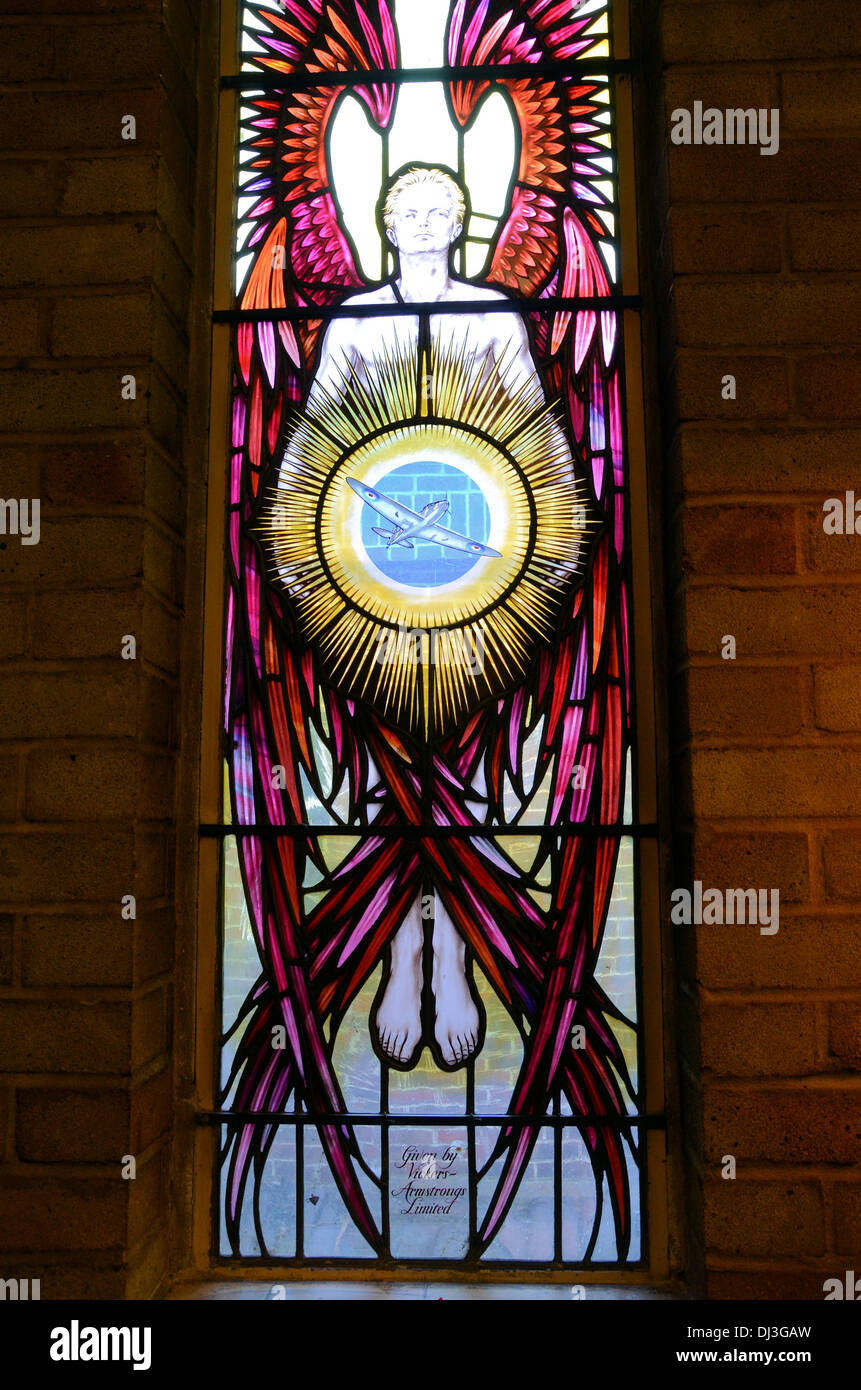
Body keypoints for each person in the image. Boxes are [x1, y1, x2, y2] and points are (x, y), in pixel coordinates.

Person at [306, 167, 549, 1068]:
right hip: (367, 577)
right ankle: (403, 947)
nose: (417, 221)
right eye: (402, 208)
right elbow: (315, 440)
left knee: (460, 764)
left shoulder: (493, 314)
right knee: (396, 769)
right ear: (381, 221)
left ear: (460, 222)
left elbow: (533, 436)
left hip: (483, 574)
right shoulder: (351, 317)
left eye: (435, 209)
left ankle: (449, 947)